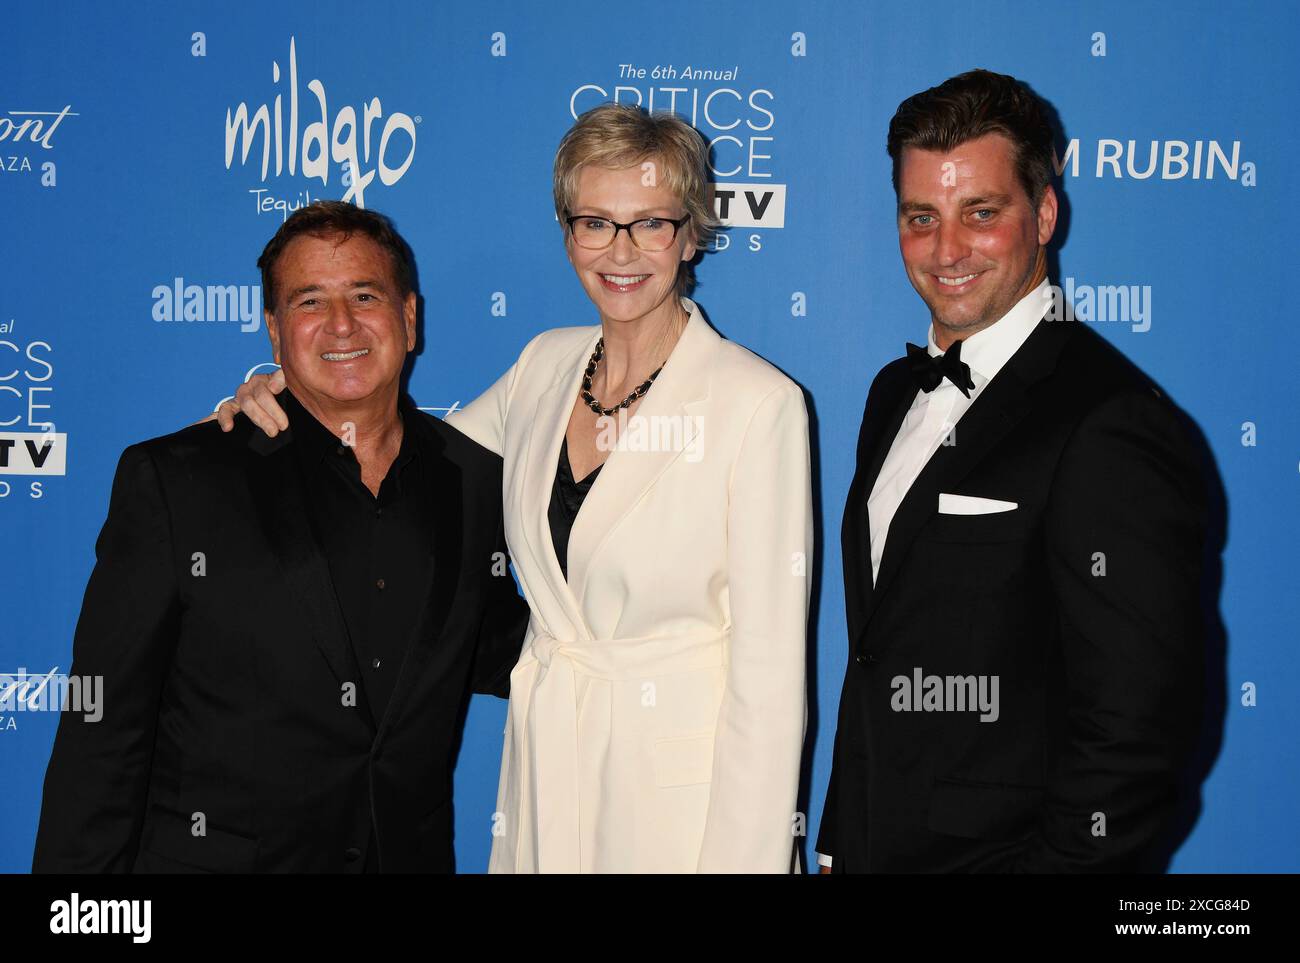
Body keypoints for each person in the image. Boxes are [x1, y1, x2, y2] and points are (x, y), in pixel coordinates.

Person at [217, 103, 813, 873]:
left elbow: (769, 687)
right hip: (546, 776)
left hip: (681, 807)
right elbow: (394, 450)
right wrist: (270, 402)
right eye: (596, 221)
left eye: (651, 223)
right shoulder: (545, 366)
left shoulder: (757, 403)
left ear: (691, 232)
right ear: (568, 234)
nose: (621, 250)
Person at [33, 202, 529, 873]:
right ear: (274, 331)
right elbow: (102, 734)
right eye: (309, 301)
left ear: (409, 319)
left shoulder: (474, 480)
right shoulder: (180, 481)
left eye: (364, 294)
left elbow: (517, 651)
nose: (342, 324)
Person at [816, 69, 1206, 873]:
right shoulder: (895, 391)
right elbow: (879, 656)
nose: (946, 250)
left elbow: (1138, 733)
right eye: (921, 217)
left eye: (981, 214)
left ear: (1047, 214)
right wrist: (838, 837)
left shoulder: (1112, 421)